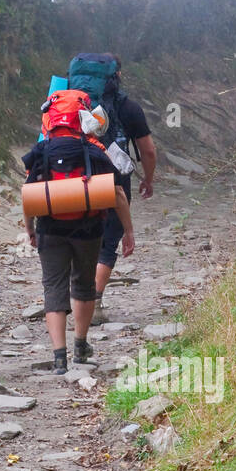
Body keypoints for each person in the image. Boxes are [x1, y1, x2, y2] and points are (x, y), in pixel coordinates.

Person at [23, 127, 134, 375]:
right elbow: (117, 193)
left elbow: (29, 192)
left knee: (53, 286)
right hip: (89, 229)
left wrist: (30, 228)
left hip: (50, 228)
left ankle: (59, 357)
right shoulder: (96, 149)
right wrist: (128, 230)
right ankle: (80, 347)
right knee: (84, 284)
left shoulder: (42, 150)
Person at [93, 56, 156, 324]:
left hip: (69, 181)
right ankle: (93, 302)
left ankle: (67, 298)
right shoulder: (129, 107)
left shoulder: (70, 103)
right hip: (113, 182)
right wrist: (148, 179)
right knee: (108, 241)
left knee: (75, 236)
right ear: (117, 75)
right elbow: (148, 151)